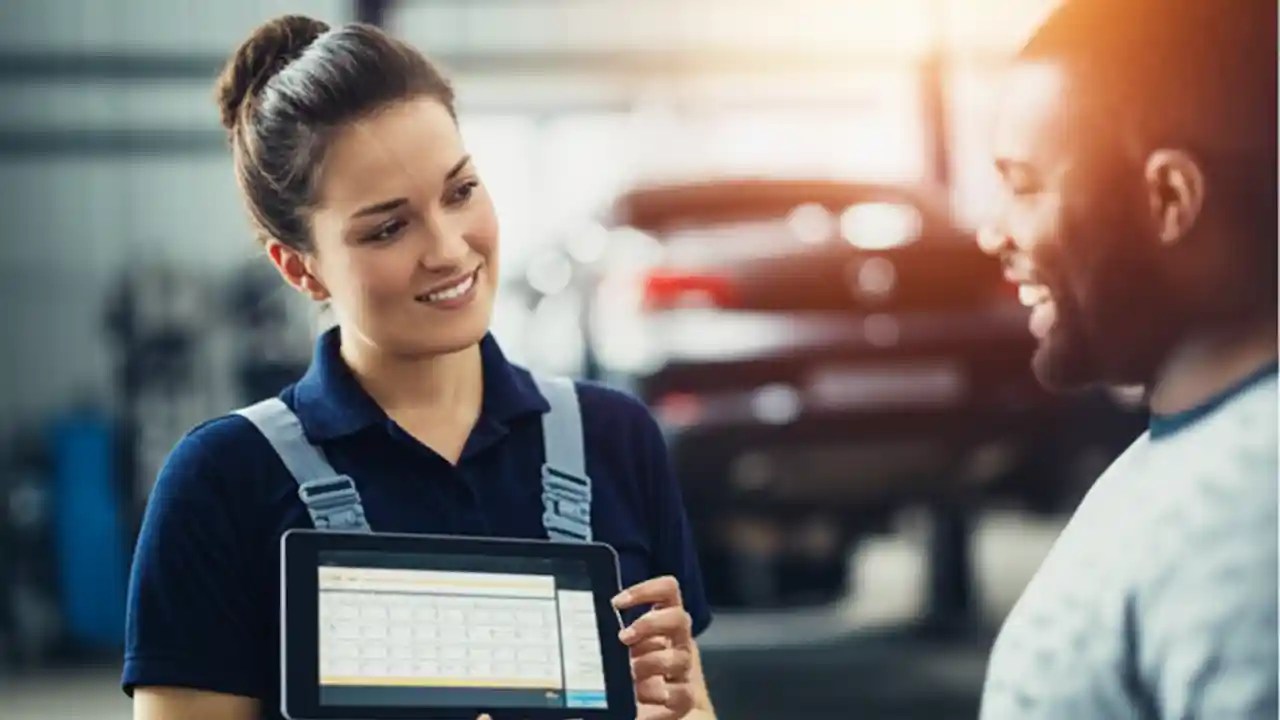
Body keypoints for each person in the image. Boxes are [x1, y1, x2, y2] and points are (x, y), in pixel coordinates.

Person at [122, 15, 716, 720]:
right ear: (300, 268)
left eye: (460, 191)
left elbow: (691, 708)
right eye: (388, 227)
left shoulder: (613, 440)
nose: (447, 248)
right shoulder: (221, 483)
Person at [977, 0, 1277, 717]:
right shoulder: (1196, 454)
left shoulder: (1252, 512)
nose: (995, 234)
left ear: (1169, 198)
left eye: (1024, 186)